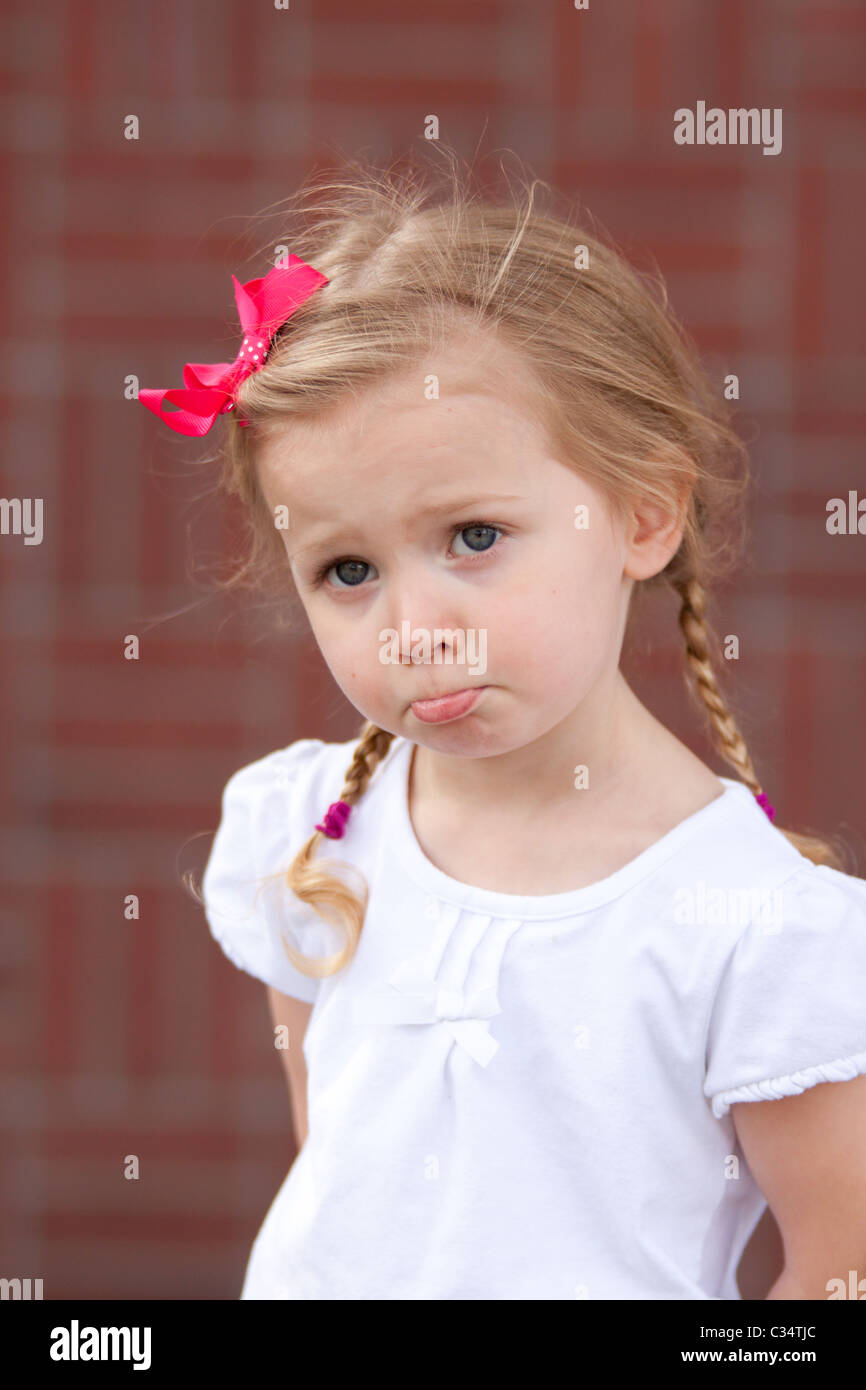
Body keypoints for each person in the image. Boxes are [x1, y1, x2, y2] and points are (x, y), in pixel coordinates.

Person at [143, 151, 866, 1300]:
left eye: (473, 536)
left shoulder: (754, 929)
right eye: (346, 568)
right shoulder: (312, 836)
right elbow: (344, 1187)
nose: (415, 627)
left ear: (639, 514)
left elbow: (839, 1271)